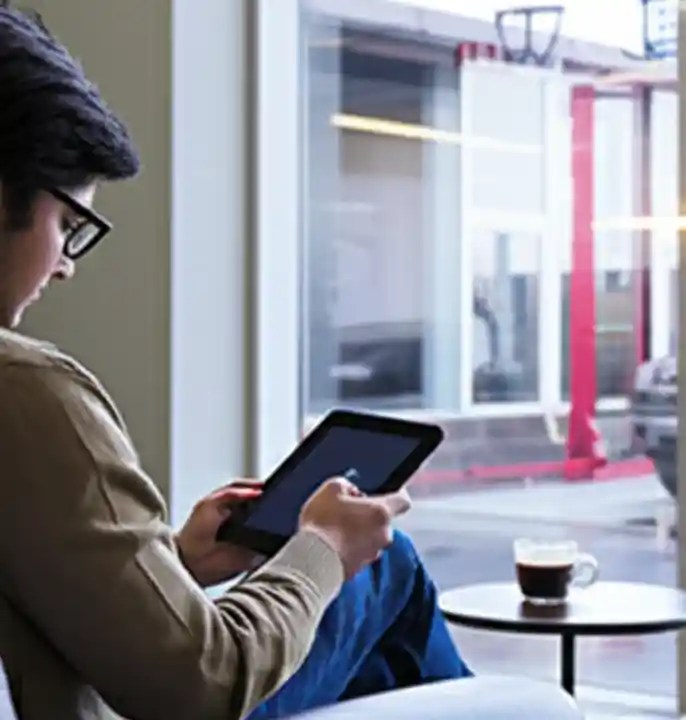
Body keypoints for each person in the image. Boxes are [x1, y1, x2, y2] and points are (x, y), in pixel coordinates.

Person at [0, 5, 471, 719]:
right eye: (67, 224)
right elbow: (202, 684)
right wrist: (320, 549)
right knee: (384, 564)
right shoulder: (25, 391)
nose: (66, 266)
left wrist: (172, 564)